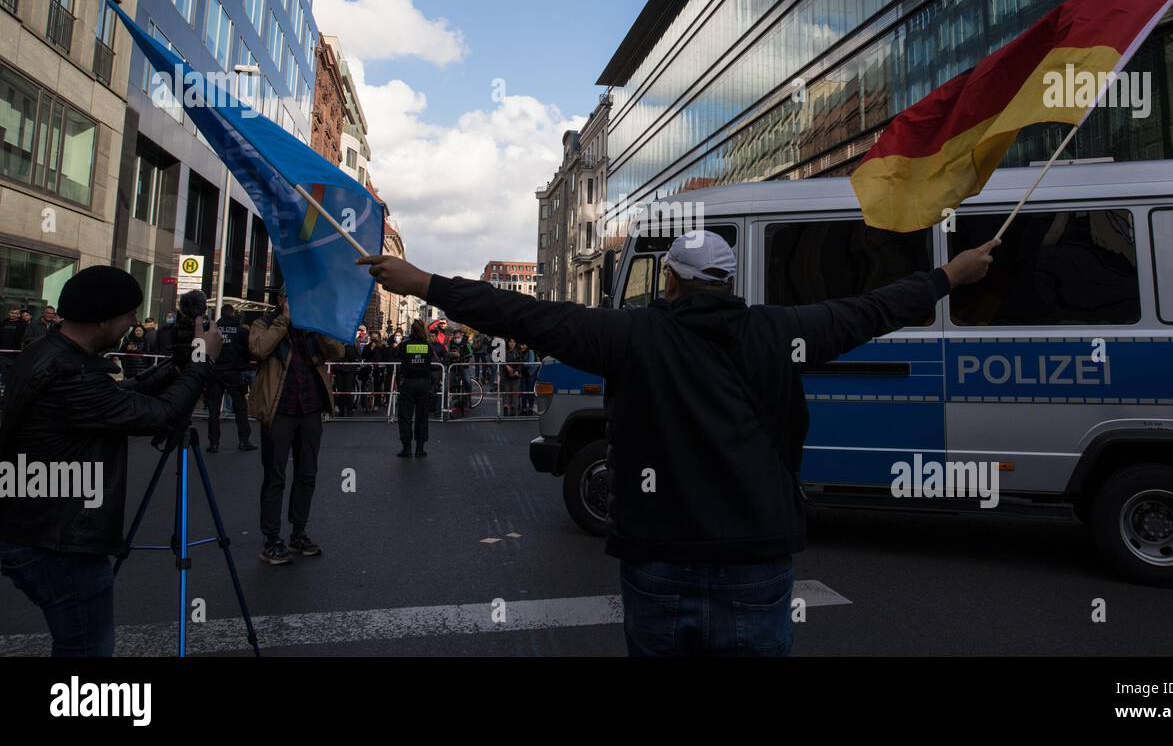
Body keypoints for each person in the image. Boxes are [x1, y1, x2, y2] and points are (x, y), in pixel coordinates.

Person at [360, 230, 998, 657]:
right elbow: (873, 308)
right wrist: (950, 273)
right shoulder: (782, 332)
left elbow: (523, 314)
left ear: (669, 283)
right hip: (757, 554)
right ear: (726, 282)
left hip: (660, 556)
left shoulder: (631, 337)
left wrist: (423, 283)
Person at [0, 266, 221, 656]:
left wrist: (176, 365)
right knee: (86, 648)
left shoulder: (51, 354)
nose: (133, 323)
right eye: (128, 315)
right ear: (103, 318)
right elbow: (161, 416)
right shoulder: (70, 375)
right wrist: (203, 362)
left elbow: (120, 398)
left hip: (35, 529)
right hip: (59, 542)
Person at [248, 289, 344, 565]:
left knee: (307, 474)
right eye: (291, 296)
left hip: (310, 409)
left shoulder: (313, 325)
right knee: (275, 475)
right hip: (279, 411)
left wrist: (319, 324)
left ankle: (298, 533)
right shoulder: (264, 322)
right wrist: (284, 321)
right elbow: (258, 349)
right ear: (281, 300)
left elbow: (338, 350)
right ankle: (271, 540)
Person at [205, 305, 256, 454]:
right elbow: (248, 351)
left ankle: (214, 443)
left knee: (214, 410)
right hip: (235, 372)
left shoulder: (213, 330)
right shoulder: (241, 331)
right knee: (240, 408)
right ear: (233, 313)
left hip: (216, 372)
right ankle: (243, 440)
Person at [395, 320, 435, 458]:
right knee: (422, 416)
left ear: (411, 330)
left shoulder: (405, 345)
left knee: (405, 416)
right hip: (423, 383)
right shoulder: (428, 346)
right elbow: (432, 362)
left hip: (408, 383)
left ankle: (406, 448)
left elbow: (398, 356)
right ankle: (420, 448)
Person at [501, 338, 521, 417]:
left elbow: (520, 363)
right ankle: (505, 409)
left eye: (514, 342)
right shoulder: (504, 351)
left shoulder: (518, 352)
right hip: (505, 374)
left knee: (514, 393)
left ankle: (513, 409)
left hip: (515, 375)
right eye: (510, 342)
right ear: (508, 343)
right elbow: (500, 361)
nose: (512, 344)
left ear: (516, 343)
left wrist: (517, 371)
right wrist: (506, 366)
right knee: (506, 392)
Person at [517, 341, 537, 415]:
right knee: (523, 391)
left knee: (530, 391)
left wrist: (521, 364)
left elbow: (531, 363)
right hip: (524, 373)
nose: (522, 347)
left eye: (523, 345)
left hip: (531, 373)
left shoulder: (530, 351)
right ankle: (524, 408)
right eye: (521, 345)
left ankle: (530, 408)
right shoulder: (520, 352)